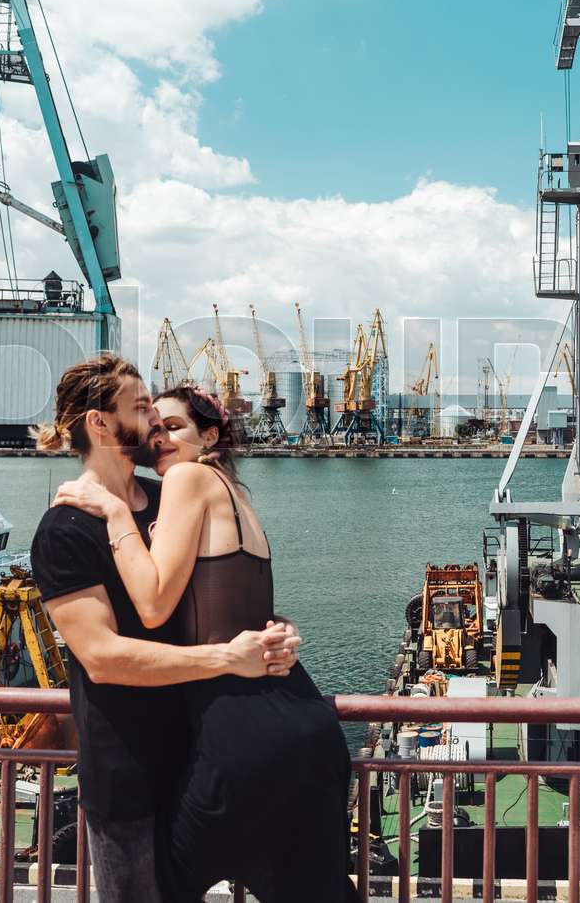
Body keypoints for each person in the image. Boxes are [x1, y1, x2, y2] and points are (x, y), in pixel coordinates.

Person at [53, 384, 355, 903]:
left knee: (161, 885)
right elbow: (244, 603)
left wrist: (115, 511)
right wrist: (279, 628)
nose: (160, 437)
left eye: (175, 427)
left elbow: (152, 604)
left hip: (240, 727)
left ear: (210, 435)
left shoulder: (188, 479)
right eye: (154, 429)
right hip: (305, 719)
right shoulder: (235, 492)